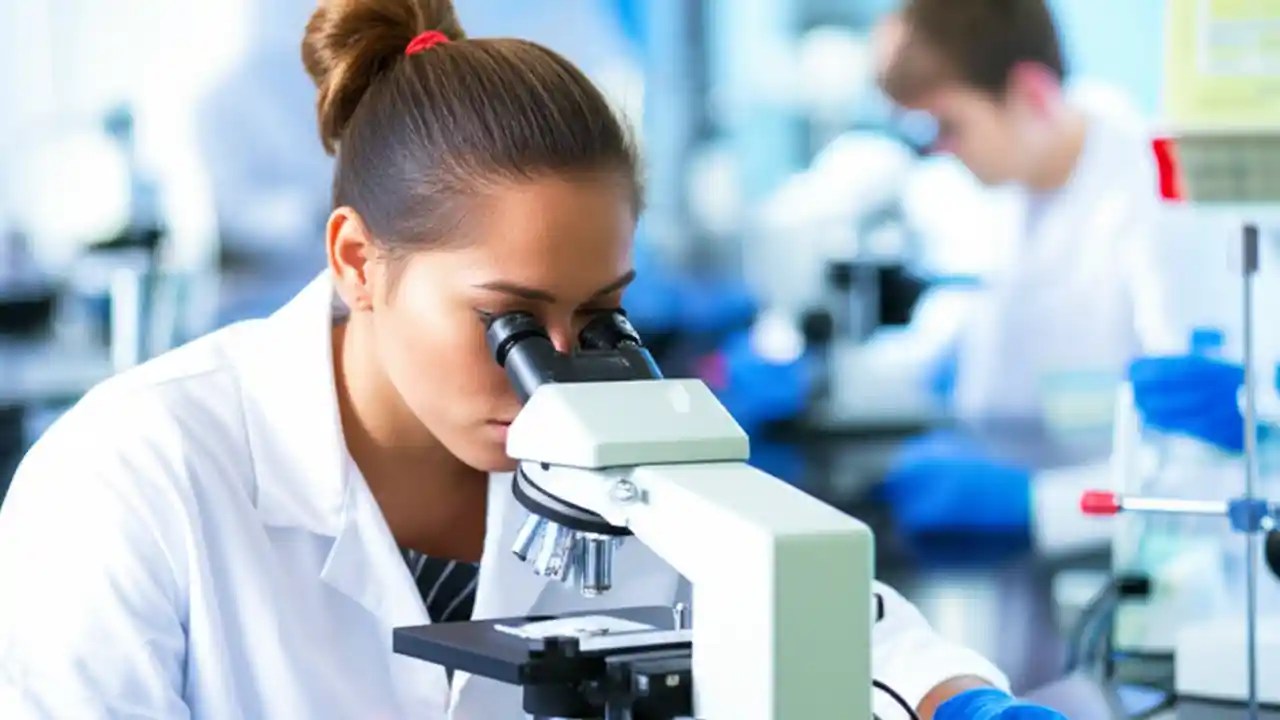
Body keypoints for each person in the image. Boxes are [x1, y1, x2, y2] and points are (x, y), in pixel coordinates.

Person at [0, 1, 1063, 718]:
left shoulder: (608, 448)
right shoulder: (131, 478)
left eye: (597, 318)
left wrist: (956, 697)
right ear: (357, 261)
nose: (554, 377)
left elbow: (836, 615)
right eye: (507, 323)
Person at [870, 0, 1247, 546]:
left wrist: (1038, 506)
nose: (941, 150)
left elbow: (1200, 468)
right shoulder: (998, 188)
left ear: (1030, 93)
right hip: (1022, 567)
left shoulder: (1155, 201)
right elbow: (952, 348)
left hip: (1135, 565)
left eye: (950, 125)